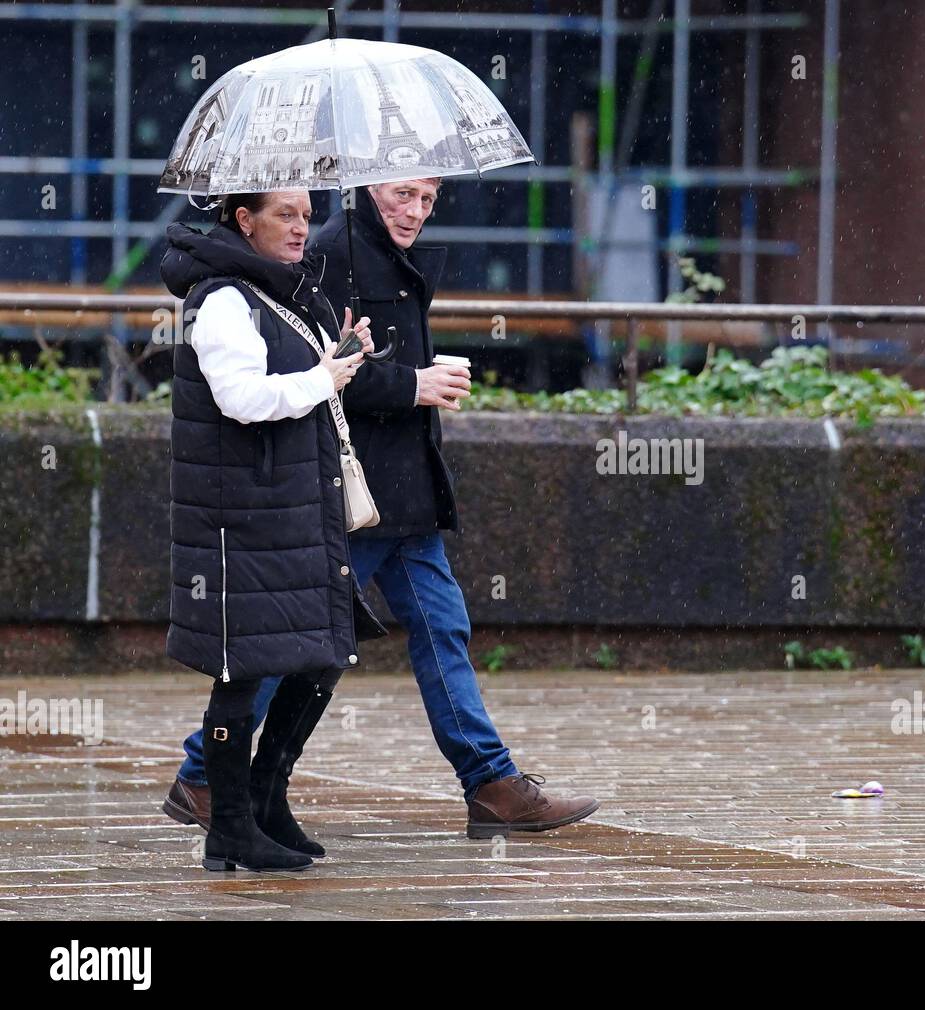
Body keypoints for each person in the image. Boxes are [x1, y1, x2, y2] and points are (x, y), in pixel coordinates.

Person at [163, 179, 599, 840]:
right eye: (403, 195)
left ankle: (489, 781)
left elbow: (340, 361)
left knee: (436, 630)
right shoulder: (329, 251)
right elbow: (317, 373)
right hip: (354, 493)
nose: (415, 211)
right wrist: (413, 384)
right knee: (300, 644)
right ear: (368, 186)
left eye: (428, 199)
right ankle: (203, 773)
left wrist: (398, 374)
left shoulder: (380, 255)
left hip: (403, 493)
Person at [160, 189, 385, 870]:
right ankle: (227, 826)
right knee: (240, 670)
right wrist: (322, 375)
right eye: (284, 214)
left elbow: (308, 382)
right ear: (242, 219)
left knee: (323, 652)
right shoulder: (224, 299)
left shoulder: (286, 292)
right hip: (242, 518)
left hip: (291, 509)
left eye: (307, 215)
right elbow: (244, 398)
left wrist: (343, 355)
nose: (301, 227)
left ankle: (265, 795)